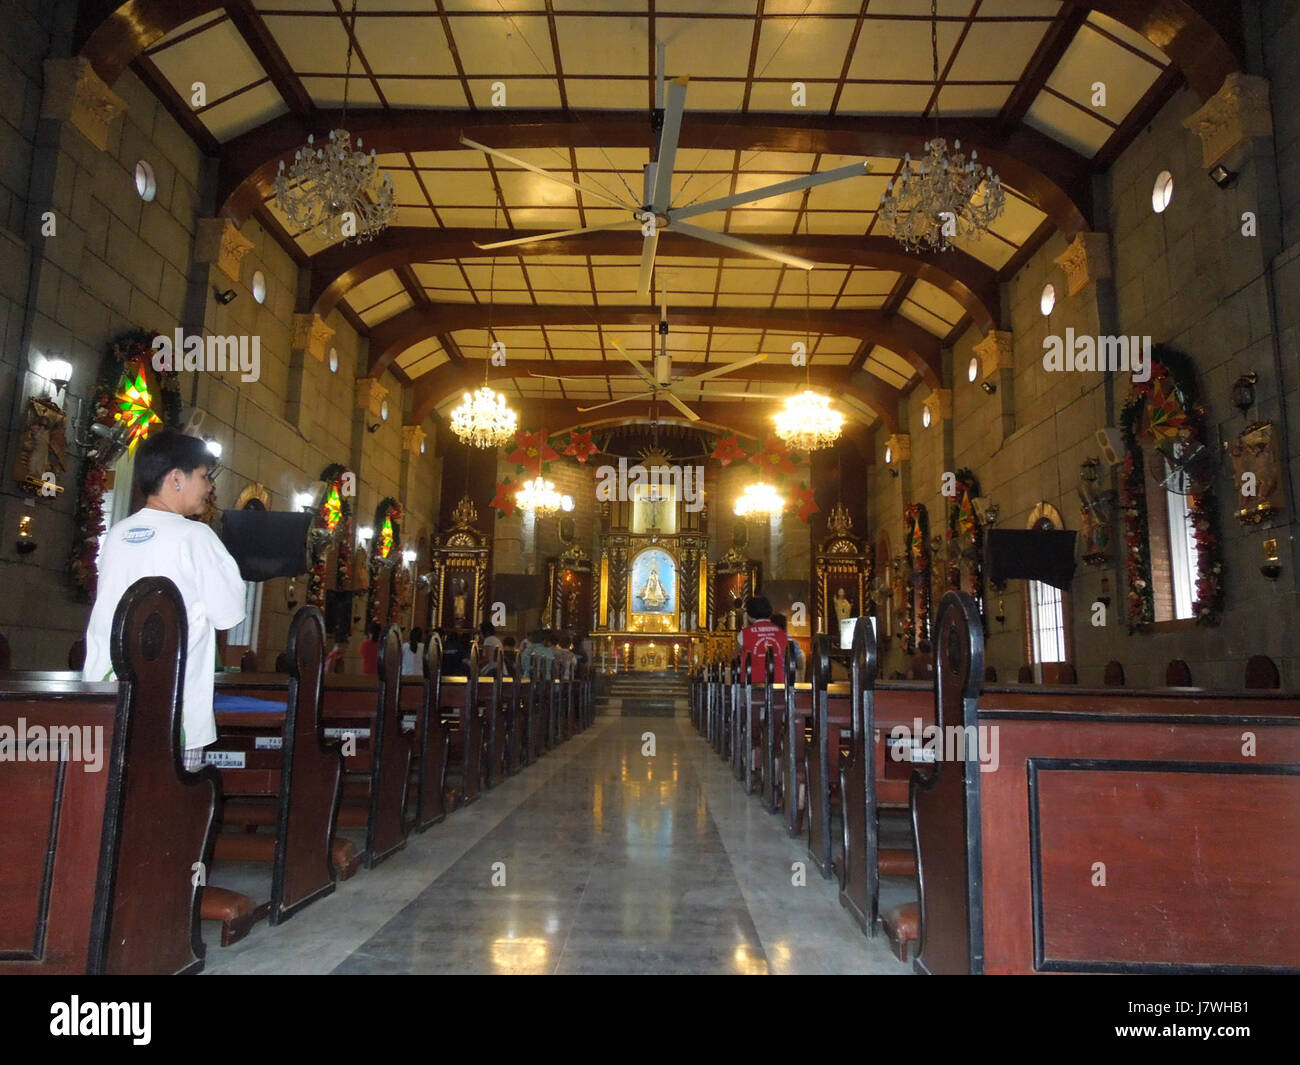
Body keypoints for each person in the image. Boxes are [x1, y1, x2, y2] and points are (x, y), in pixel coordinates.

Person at [82, 430, 245, 771]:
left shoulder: (116, 534)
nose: (209, 486)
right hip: (175, 707)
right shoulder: (196, 536)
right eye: (204, 476)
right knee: (171, 809)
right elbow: (229, 614)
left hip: (108, 701)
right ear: (175, 479)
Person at [737, 595, 786, 685]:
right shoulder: (781, 633)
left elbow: (736, 654)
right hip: (777, 681)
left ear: (749, 615)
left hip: (751, 681)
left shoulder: (744, 633)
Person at [770, 612, 804, 680]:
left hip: (767, 678)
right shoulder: (793, 642)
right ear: (785, 626)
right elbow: (800, 664)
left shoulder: (765, 639)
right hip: (787, 679)